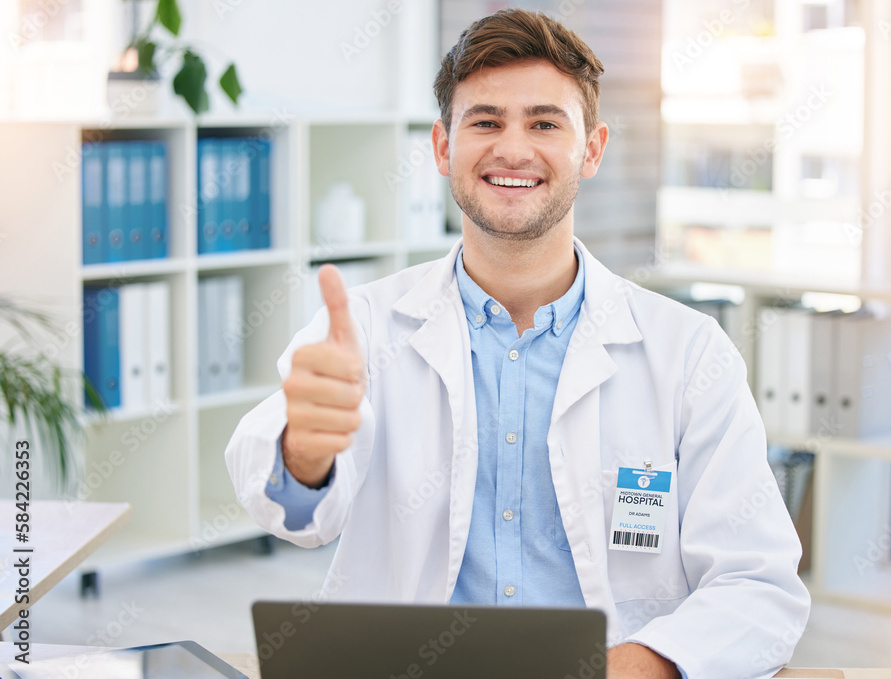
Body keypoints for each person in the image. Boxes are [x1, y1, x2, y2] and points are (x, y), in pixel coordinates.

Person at [226, 8, 810, 678]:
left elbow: (759, 585)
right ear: (444, 147)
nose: (512, 148)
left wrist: (636, 665)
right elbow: (289, 511)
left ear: (591, 149)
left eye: (543, 122)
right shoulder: (362, 327)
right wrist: (304, 453)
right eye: (485, 121)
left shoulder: (689, 354)